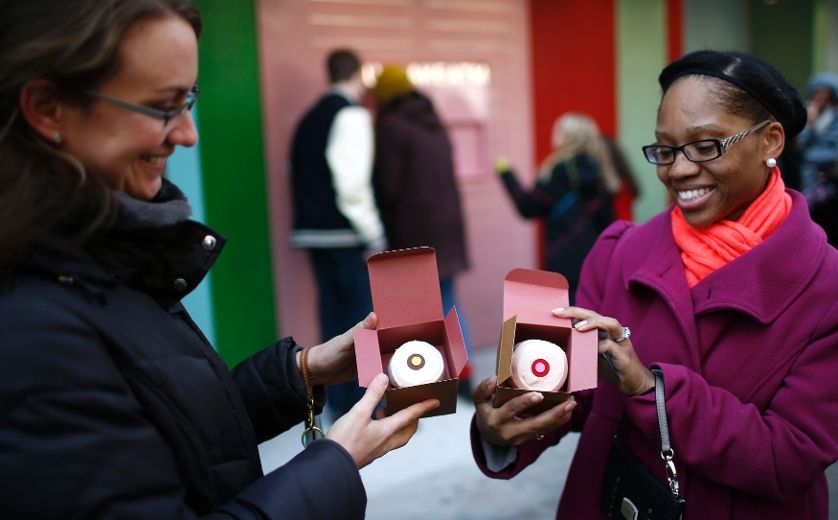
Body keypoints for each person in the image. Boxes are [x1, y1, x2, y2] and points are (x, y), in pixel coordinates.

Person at [0, 1, 438, 517]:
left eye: (189, 99)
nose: (188, 133)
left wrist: (302, 372)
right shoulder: (30, 326)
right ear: (49, 108)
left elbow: (168, 434)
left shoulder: (97, 253)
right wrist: (335, 463)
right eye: (163, 106)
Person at [471, 50, 838, 519]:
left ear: (770, 141)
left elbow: (788, 457)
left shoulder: (825, 287)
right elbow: (578, 398)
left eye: (707, 146)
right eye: (665, 150)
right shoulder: (621, 251)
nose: (678, 170)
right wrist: (508, 422)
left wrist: (650, 390)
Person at [289, 48, 387, 421]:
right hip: (346, 235)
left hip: (313, 234)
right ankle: (366, 408)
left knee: (332, 320)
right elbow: (352, 183)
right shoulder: (351, 114)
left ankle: (339, 407)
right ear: (358, 75)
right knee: (362, 324)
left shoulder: (310, 117)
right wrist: (373, 234)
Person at [370, 65, 474, 395]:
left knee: (414, 309)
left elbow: (389, 186)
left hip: (413, 230)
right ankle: (463, 373)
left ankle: (423, 378)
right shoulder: (432, 120)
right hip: (447, 228)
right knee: (446, 300)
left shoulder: (390, 126)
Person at [494, 113, 620, 303]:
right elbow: (608, 223)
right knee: (590, 321)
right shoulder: (601, 171)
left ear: (566, 137)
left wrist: (506, 173)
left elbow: (526, 207)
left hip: (563, 264)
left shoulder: (557, 173)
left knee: (566, 322)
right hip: (597, 263)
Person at [798, 72, 838, 246]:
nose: (820, 97)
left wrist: (810, 157)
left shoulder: (835, 118)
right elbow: (799, 145)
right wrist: (809, 124)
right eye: (817, 92)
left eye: (825, 93)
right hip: (808, 181)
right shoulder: (808, 114)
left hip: (830, 182)